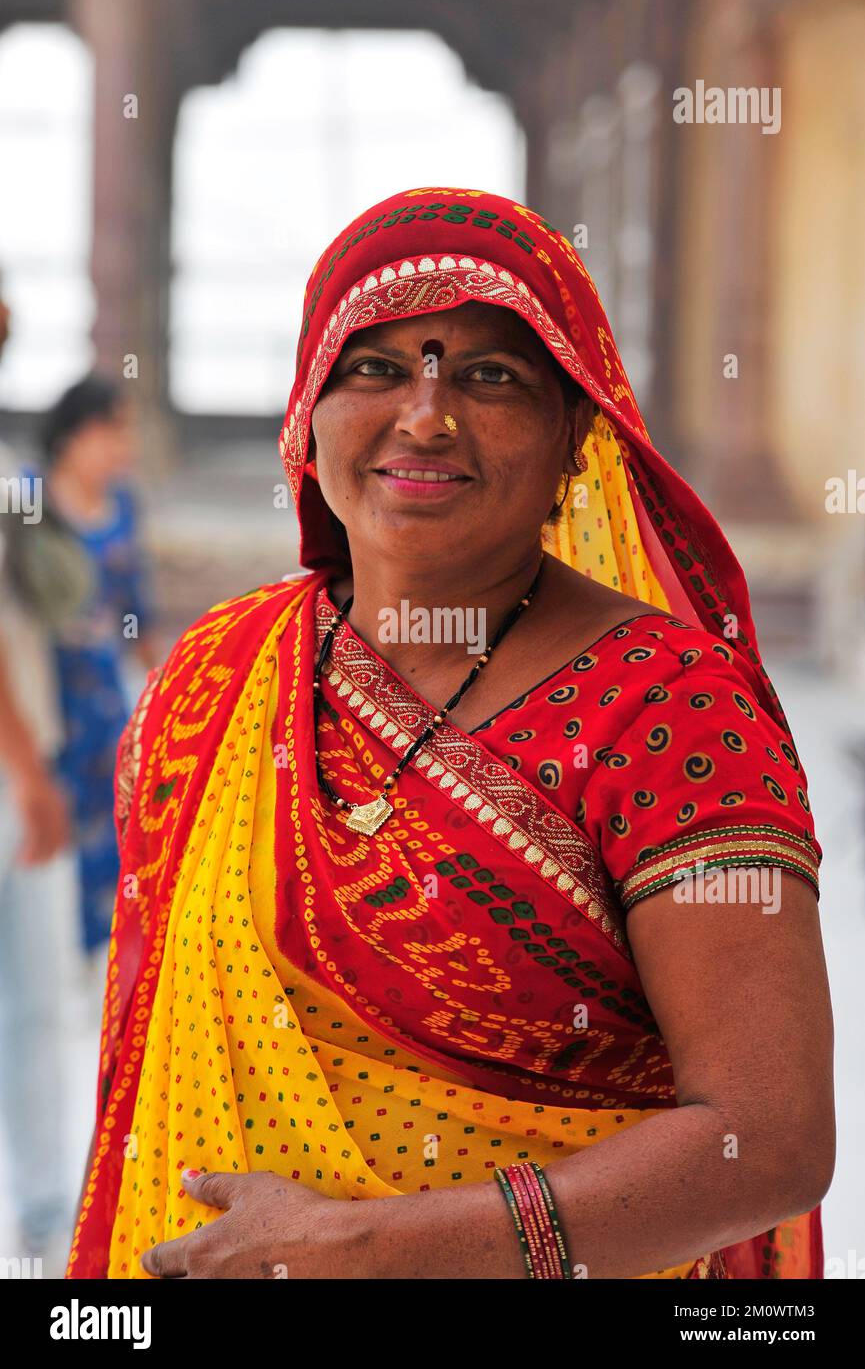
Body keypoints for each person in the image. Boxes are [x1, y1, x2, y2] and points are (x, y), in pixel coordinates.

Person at [67, 187, 834, 1280]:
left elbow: (764, 1140)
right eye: (374, 368)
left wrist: (367, 1247)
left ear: (577, 431)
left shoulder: (666, 709)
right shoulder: (216, 675)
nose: (424, 416)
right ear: (306, 412)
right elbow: (146, 1072)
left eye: (489, 375)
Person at [0, 282, 77, 1274]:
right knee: (33, 1001)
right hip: (9, 768)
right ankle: (49, 1215)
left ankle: (47, 1213)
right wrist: (30, 771)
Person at [40, 375, 159, 958]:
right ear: (76, 434)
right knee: (46, 828)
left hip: (104, 700)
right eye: (113, 430)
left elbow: (138, 607)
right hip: (43, 697)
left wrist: (164, 692)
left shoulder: (125, 504)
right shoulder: (31, 500)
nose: (123, 446)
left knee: (114, 826)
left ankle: (96, 961)